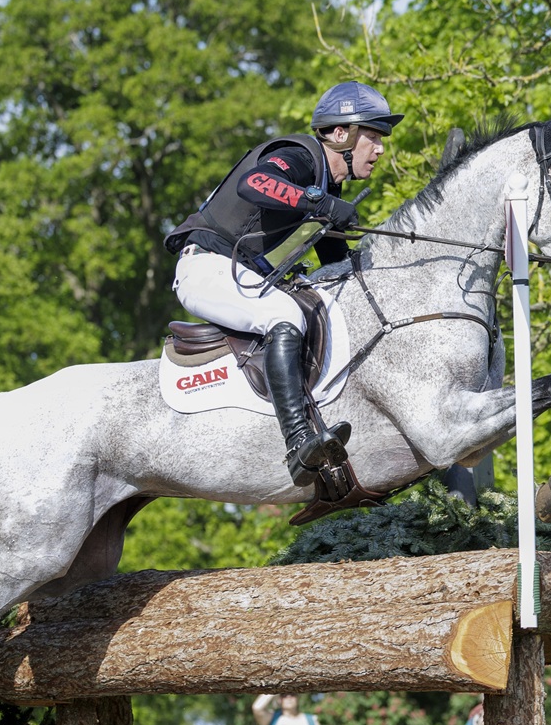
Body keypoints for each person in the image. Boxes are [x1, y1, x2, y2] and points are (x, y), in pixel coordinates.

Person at [164, 81, 402, 485]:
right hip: (205, 267)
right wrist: (323, 205)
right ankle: (299, 444)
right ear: (341, 135)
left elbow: (338, 267)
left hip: (235, 273)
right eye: (373, 137)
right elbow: (253, 184)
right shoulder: (299, 157)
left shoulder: (329, 184)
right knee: (284, 315)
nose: (380, 149)